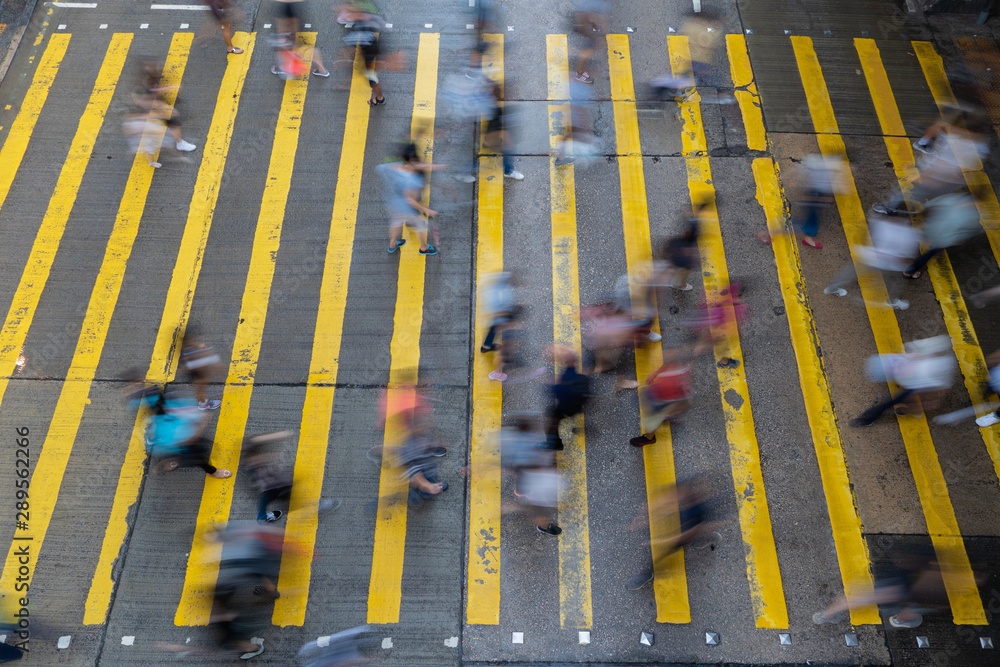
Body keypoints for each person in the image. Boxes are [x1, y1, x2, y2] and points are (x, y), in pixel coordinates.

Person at [813, 544, 951, 629]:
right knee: (917, 605)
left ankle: (825, 615)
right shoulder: (937, 583)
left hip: (896, 575)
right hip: (908, 588)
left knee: (863, 597)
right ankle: (899, 620)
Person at [625, 476, 721, 590]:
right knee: (690, 524)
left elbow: (680, 537)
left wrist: (655, 541)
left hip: (693, 527)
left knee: (666, 551)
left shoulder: (700, 509)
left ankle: (649, 573)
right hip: (688, 519)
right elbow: (662, 503)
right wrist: (642, 520)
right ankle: (704, 536)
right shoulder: (684, 489)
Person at [126, 378, 231, 478]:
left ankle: (170, 461)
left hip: (176, 436)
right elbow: (187, 440)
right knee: (198, 458)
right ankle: (212, 472)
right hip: (180, 443)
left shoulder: (164, 404)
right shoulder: (165, 427)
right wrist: (201, 424)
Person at [850, 335, 956, 428]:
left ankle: (866, 419)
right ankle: (909, 410)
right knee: (896, 399)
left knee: (890, 401)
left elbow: (937, 392)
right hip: (909, 378)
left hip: (912, 382)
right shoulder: (939, 357)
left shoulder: (939, 367)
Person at [823, 214, 920, 310]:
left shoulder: (881, 223)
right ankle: (891, 301)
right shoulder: (908, 233)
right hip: (890, 265)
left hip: (871, 257)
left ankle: (832, 287)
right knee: (896, 282)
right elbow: (906, 257)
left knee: (852, 271)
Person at [244, 431, 341, 522]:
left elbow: (256, 442)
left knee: (270, 495)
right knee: (289, 497)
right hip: (276, 485)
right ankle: (317, 505)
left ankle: (262, 515)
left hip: (270, 485)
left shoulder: (251, 460)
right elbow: (257, 443)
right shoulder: (256, 462)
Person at [900, 189, 982, 279]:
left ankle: (904, 255)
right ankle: (909, 272)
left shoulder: (953, 198)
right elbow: (970, 231)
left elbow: (930, 205)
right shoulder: (972, 215)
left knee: (917, 239)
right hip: (942, 238)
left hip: (930, 226)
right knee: (928, 254)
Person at [375, 143, 441, 255]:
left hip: (391, 204)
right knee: (421, 225)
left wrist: (434, 166)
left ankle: (392, 244)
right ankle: (424, 248)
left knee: (395, 223)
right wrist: (426, 210)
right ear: (413, 159)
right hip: (407, 209)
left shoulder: (393, 167)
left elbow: (379, 168)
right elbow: (410, 200)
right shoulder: (412, 180)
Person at [629, 347, 693, 447]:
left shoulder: (673, 383)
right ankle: (669, 415)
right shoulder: (678, 369)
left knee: (650, 423)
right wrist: (655, 374)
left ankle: (649, 438)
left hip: (661, 402)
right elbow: (666, 367)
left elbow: (681, 400)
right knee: (665, 409)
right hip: (661, 397)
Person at [544, 346, 591, 450]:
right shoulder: (580, 377)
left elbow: (554, 393)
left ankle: (554, 442)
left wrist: (549, 384)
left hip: (566, 409)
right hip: (577, 404)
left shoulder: (562, 384)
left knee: (552, 417)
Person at [340, 2, 386, 105]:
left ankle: (380, 98)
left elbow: (355, 45)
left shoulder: (358, 24)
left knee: (372, 79)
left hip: (369, 54)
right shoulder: (365, 18)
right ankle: (379, 96)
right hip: (371, 49)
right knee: (371, 76)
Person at [271, 0, 330, 78]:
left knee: (283, 42)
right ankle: (322, 69)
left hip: (285, 11)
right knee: (305, 45)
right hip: (296, 13)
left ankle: (284, 67)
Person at [181, 332, 223, 410]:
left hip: (191, 362)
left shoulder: (181, 339)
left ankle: (203, 402)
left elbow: (184, 340)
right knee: (201, 384)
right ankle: (203, 404)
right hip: (192, 366)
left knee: (202, 382)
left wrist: (197, 345)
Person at [480, 272, 520, 353]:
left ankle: (487, 345)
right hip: (496, 311)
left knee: (495, 327)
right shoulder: (506, 293)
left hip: (495, 309)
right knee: (496, 327)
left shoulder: (503, 283)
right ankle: (487, 346)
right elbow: (499, 311)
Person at [570, 0, 608, 85]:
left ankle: (580, 70)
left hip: (587, 10)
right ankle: (579, 72)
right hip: (591, 11)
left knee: (590, 42)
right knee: (589, 46)